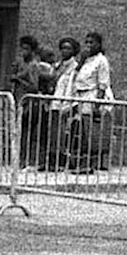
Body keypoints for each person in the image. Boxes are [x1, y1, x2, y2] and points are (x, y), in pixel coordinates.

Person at [8, 34, 54, 168]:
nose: (23, 52)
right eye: (21, 49)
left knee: (26, 132)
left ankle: (25, 161)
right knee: (21, 132)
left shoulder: (33, 65)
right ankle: (20, 161)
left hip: (30, 103)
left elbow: (33, 85)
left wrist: (18, 79)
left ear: (33, 51)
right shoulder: (23, 64)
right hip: (21, 100)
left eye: (26, 49)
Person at [71, 31, 114, 172]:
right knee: (82, 131)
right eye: (87, 42)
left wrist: (97, 105)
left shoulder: (101, 60)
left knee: (91, 133)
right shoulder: (86, 60)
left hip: (93, 97)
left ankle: (90, 164)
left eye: (92, 42)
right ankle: (82, 163)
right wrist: (81, 61)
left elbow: (103, 83)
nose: (89, 45)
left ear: (99, 44)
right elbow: (76, 76)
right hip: (81, 98)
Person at [46, 36, 80, 171]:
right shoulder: (57, 66)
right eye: (63, 48)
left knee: (63, 133)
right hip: (55, 102)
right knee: (53, 133)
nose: (64, 51)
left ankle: (62, 161)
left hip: (67, 104)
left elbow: (73, 86)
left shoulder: (75, 68)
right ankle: (52, 160)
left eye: (68, 48)